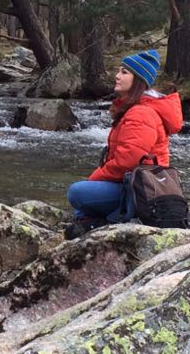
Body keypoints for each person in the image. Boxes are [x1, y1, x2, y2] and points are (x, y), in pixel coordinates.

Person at [65, 48, 183, 236]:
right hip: (137, 186)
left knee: (77, 192)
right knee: (85, 196)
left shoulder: (141, 113)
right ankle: (100, 220)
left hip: (140, 191)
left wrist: (95, 177)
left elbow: (128, 161)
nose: (117, 76)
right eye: (119, 70)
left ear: (137, 80)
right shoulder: (137, 109)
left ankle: (113, 219)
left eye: (124, 72)